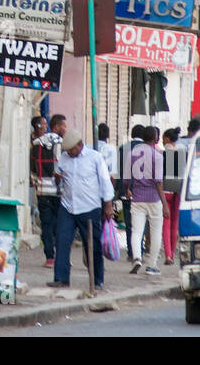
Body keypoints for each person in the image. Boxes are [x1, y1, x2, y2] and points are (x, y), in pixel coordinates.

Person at [49, 125, 114, 291]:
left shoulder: (95, 158)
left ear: (79, 145)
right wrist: (57, 179)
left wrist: (108, 204)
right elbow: (58, 182)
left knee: (93, 245)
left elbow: (105, 182)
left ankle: (98, 280)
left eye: (71, 150)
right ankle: (61, 278)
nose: (69, 153)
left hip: (90, 208)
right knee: (62, 241)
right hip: (68, 207)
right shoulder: (64, 158)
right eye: (67, 151)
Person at [128, 126, 166, 276]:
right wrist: (164, 204)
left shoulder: (132, 154)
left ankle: (137, 257)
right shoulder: (157, 156)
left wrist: (126, 189)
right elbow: (158, 182)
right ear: (155, 138)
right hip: (154, 199)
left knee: (137, 231)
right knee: (156, 231)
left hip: (137, 198)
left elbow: (126, 178)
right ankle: (152, 265)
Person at [31, 115, 63, 268]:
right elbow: (58, 167)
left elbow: (32, 169)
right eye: (64, 126)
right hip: (57, 191)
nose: (65, 129)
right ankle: (61, 256)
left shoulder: (36, 144)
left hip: (42, 191)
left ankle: (50, 257)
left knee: (46, 224)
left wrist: (37, 182)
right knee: (59, 224)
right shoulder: (59, 142)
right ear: (56, 127)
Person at [161, 128, 183, 266]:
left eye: (163, 138)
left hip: (165, 191)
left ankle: (168, 255)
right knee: (174, 224)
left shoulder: (162, 154)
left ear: (168, 139)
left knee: (166, 224)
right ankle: (173, 255)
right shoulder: (182, 154)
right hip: (179, 191)